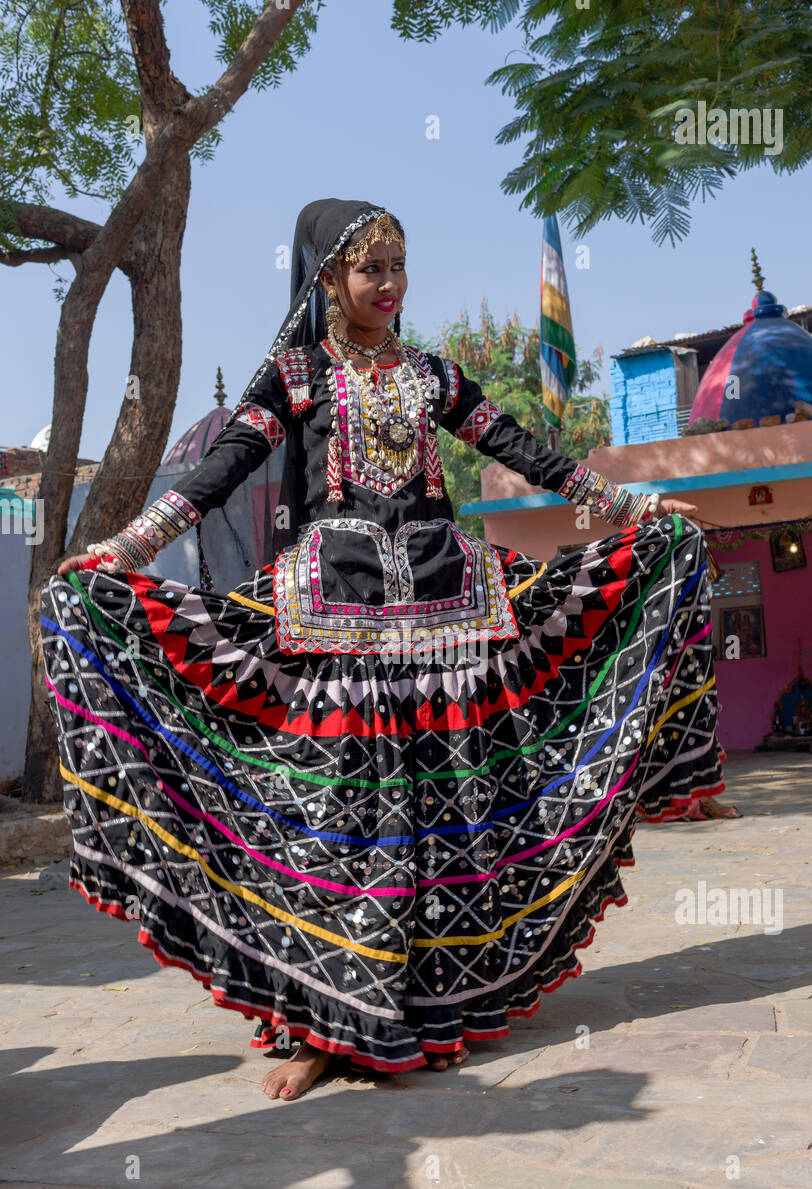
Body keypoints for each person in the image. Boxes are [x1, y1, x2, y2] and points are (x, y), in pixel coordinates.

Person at [44, 198, 726, 1101]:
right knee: (344, 827)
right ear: (328, 278)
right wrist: (125, 552)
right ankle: (331, 1024)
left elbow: (524, 448)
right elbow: (218, 474)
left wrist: (634, 509)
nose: (390, 285)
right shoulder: (295, 377)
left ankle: (441, 998)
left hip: (448, 612)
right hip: (334, 618)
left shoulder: (434, 376)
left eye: (400, 266)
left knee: (448, 816)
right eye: (372, 269)